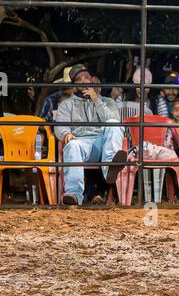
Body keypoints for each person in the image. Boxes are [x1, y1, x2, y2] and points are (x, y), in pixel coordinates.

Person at [54, 66, 127, 205]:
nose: (84, 81)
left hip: (104, 143)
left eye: (86, 77)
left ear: (92, 79)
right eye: (79, 79)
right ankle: (74, 195)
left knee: (113, 123)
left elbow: (115, 121)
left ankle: (111, 167)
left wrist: (96, 100)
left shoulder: (108, 101)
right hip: (81, 143)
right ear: (74, 85)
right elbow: (59, 125)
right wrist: (66, 134)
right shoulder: (66, 104)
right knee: (72, 145)